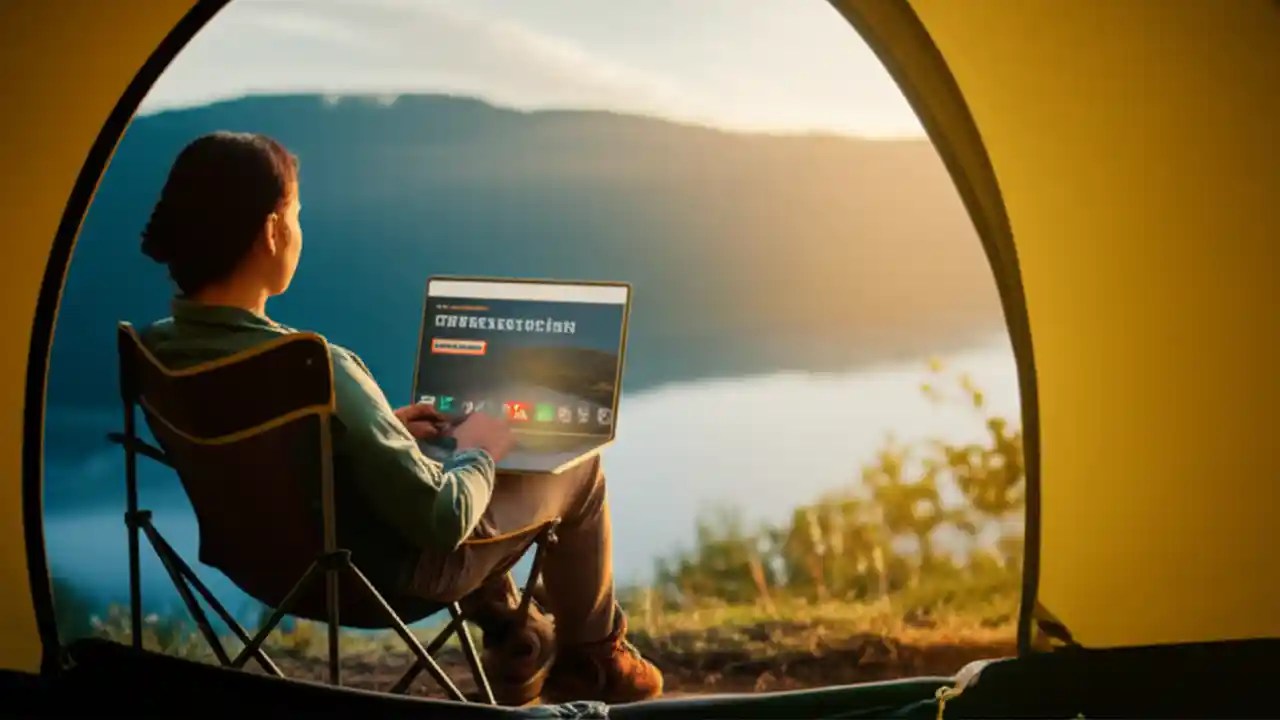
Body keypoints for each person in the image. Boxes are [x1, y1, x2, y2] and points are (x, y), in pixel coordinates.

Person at [135, 131, 663, 705]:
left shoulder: (158, 351)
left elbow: (286, 457)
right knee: (579, 470)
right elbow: (441, 519)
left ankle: (521, 643)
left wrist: (378, 429)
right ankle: (595, 661)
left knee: (436, 456)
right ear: (272, 231)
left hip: (265, 570)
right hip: (379, 581)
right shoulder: (319, 368)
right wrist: (481, 445)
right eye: (297, 214)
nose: (298, 231)